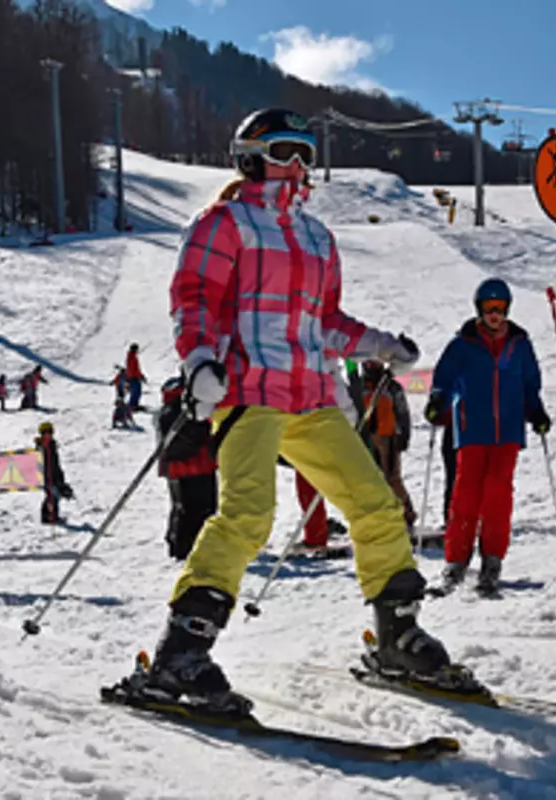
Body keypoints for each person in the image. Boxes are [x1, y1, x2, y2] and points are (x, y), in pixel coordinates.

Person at [144, 107, 453, 713]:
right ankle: (181, 654)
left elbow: (325, 320)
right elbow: (195, 297)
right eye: (285, 150)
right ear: (250, 155)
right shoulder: (223, 223)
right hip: (248, 389)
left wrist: (378, 345)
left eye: (307, 153)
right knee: (249, 514)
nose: (298, 164)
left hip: (310, 395)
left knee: (376, 504)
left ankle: (397, 635)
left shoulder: (317, 237)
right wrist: (200, 361)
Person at [425, 278, 550, 596]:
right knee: (465, 494)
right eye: (488, 308)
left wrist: (535, 411)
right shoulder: (463, 343)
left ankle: (491, 561)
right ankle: (456, 561)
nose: (495, 314)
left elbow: (530, 383)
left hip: (507, 431)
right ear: (479, 310)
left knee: (498, 494)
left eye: (500, 308)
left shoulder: (519, 344)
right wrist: (439, 399)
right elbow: (445, 378)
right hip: (471, 429)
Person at [157, 376, 218, 560]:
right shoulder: (192, 405)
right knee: (201, 507)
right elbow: (202, 431)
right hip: (198, 464)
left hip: (174, 466)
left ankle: (177, 542)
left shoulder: (169, 407)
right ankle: (190, 547)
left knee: (180, 506)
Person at [363, 361, 416, 530]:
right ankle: (378, 515)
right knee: (371, 480)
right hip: (367, 438)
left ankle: (407, 513)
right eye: (369, 362)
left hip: (389, 438)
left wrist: (404, 434)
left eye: (376, 362)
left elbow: (402, 412)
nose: (372, 365)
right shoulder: (358, 386)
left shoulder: (391, 387)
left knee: (393, 478)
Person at [37, 421, 74, 524]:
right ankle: (49, 517)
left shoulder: (51, 444)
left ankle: (51, 516)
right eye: (45, 432)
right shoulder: (44, 445)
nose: (48, 434)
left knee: (55, 496)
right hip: (48, 475)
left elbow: (55, 461)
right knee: (52, 496)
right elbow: (45, 461)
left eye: (49, 432)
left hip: (55, 473)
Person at [125, 344, 146, 410]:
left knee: (137, 391)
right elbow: (133, 369)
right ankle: (132, 405)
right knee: (136, 391)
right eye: (136, 349)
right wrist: (140, 376)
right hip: (133, 377)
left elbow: (135, 368)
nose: (137, 351)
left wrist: (140, 375)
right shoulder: (132, 357)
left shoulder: (132, 356)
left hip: (133, 376)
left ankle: (134, 404)